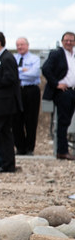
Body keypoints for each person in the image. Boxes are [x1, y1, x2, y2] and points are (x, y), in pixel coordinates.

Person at [0, 32, 21, 173]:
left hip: (2, 102)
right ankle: (7, 164)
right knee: (5, 133)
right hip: (0, 102)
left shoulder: (7, 58)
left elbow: (10, 78)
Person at [42, 31, 75, 160]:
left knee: (69, 121)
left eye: (71, 40)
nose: (69, 42)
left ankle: (65, 149)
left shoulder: (73, 55)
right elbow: (46, 69)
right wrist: (56, 84)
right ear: (62, 42)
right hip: (63, 92)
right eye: (66, 40)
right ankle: (62, 151)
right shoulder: (56, 54)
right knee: (63, 122)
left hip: (73, 91)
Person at [13, 37, 42, 155]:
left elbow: (34, 74)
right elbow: (11, 73)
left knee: (31, 120)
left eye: (22, 44)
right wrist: (23, 70)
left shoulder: (34, 58)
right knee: (16, 119)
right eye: (18, 45)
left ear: (27, 45)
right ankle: (20, 147)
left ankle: (30, 148)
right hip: (17, 90)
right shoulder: (13, 58)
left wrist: (17, 72)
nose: (20, 47)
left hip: (31, 90)